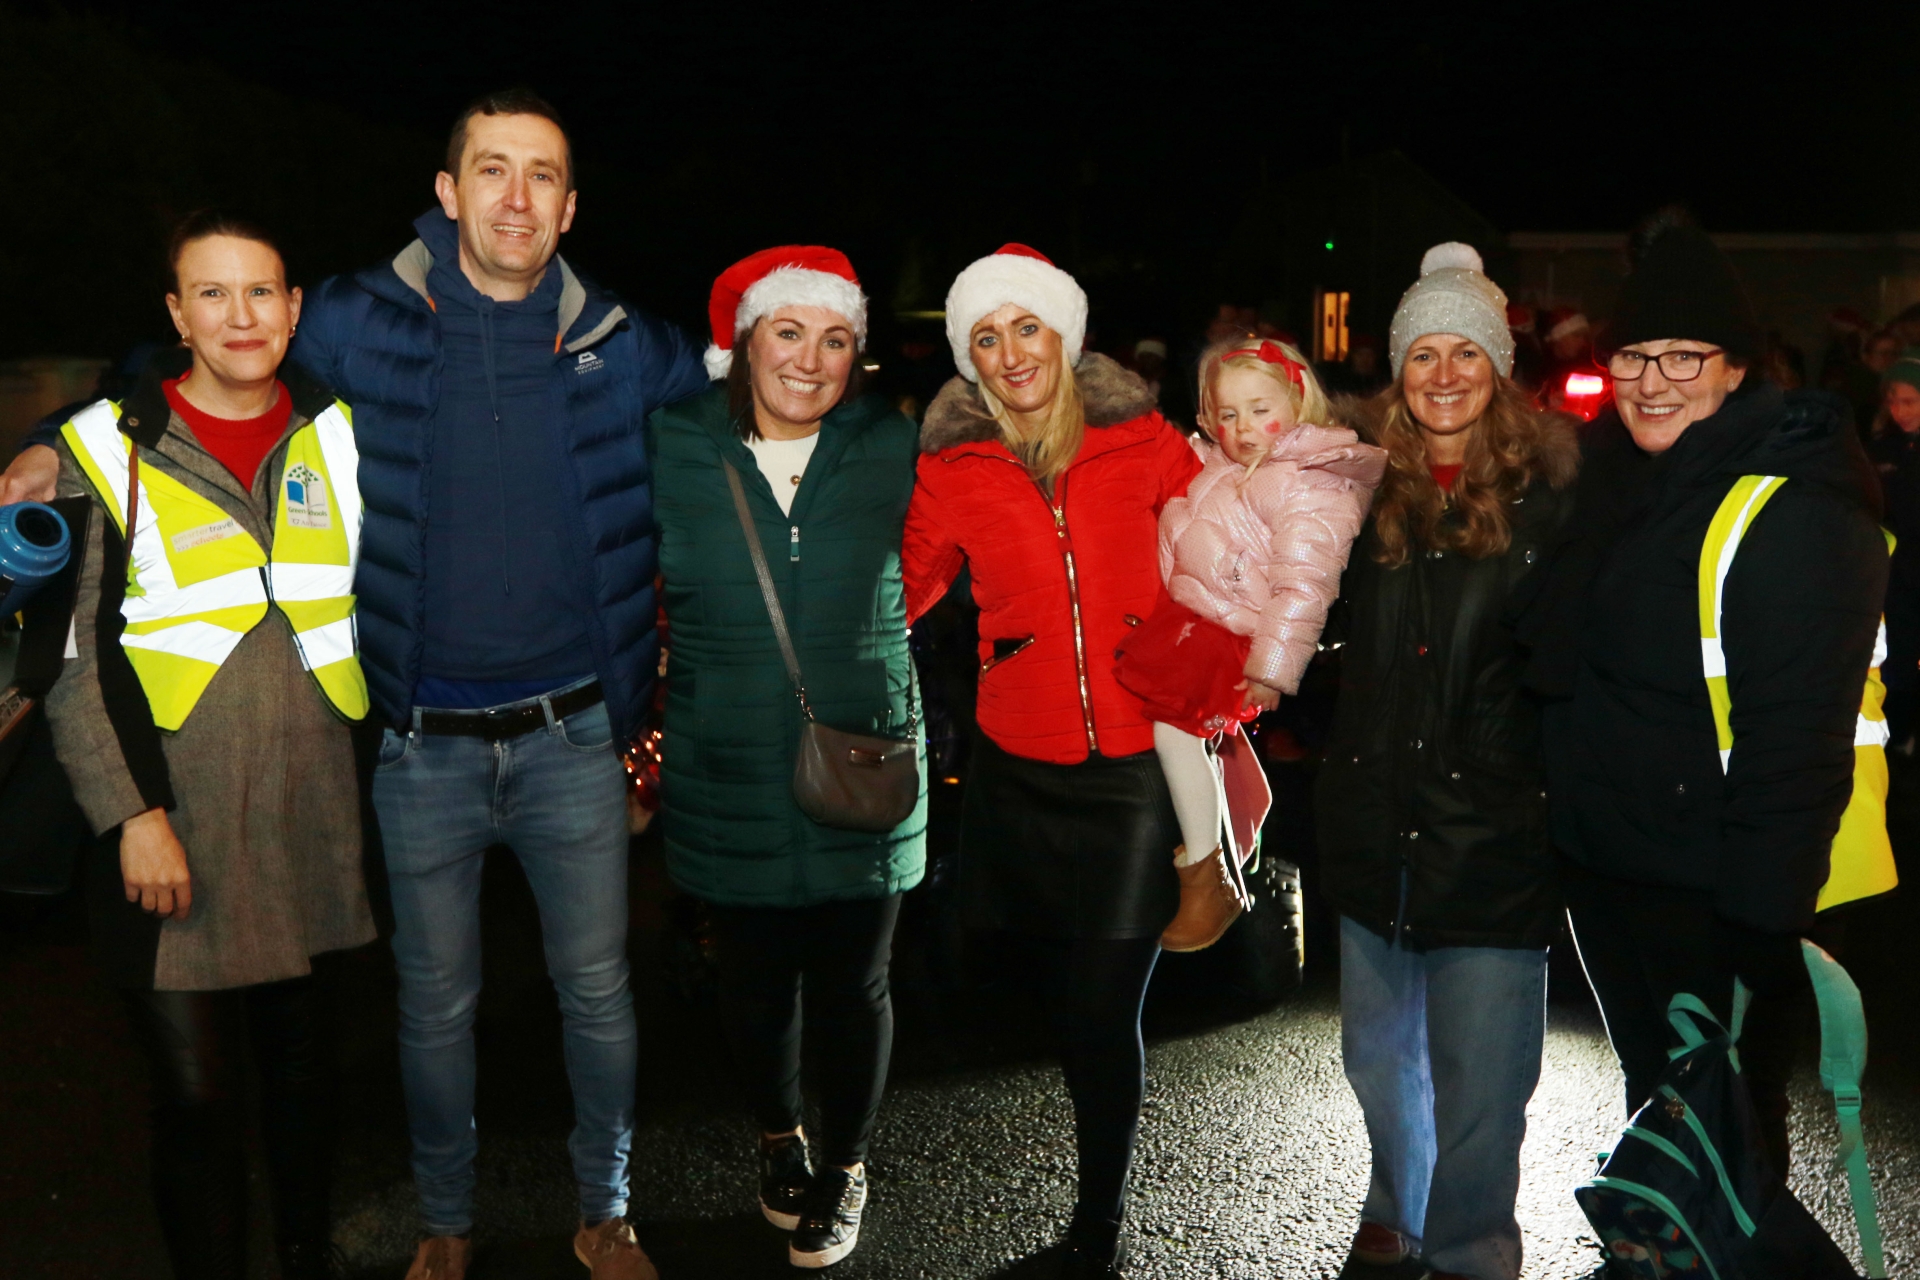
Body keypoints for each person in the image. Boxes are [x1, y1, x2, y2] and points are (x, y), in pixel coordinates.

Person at [39, 211, 375, 1280]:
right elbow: (69, 656)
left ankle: (305, 1252)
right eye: (214, 294)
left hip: (310, 808)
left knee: (306, 1083)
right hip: (171, 814)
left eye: (263, 291)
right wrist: (132, 816)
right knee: (197, 1098)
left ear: (295, 308)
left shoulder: (339, 431)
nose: (243, 315)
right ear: (177, 314)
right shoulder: (99, 447)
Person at [1527, 218, 1887, 1178]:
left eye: (1684, 355)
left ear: (1737, 368)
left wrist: (1759, 926)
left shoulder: (1790, 501)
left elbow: (1797, 739)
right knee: (1661, 1107)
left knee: (1729, 1130)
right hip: (1611, 867)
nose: (1653, 380)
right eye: (1635, 355)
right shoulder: (1609, 480)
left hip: (1716, 893)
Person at [901, 244, 1201, 1278]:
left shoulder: (1146, 441)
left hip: (1131, 770)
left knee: (1098, 1003)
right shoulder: (953, 467)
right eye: (986, 336)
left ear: (1065, 335)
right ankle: (1094, 1217)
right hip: (1017, 767)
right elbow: (903, 585)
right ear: (971, 359)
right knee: (1056, 996)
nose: (1011, 351)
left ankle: (1097, 1228)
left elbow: (1235, 539)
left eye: (1026, 326)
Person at [649, 246, 926, 1269]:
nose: (811, 360)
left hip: (868, 755)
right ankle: (780, 1138)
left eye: (836, 338)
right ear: (746, 342)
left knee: (857, 981)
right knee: (756, 982)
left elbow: (953, 551)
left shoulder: (894, 444)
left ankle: (847, 1161)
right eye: (788, 331)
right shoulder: (674, 441)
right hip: (725, 759)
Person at [1314, 244, 1578, 1280]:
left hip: (1493, 824)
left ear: (1498, 363)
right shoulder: (1354, 485)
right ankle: (1396, 1202)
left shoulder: (1549, 495)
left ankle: (1471, 1246)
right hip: (1376, 817)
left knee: (1484, 1077)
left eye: (1464, 349)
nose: (1443, 372)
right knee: (1378, 1059)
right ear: (1397, 369)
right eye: (1421, 352)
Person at [1115, 337, 1381, 951]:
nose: (1245, 428)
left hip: (1237, 637)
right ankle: (1239, 814)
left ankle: (1208, 872)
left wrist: (1273, 668)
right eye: (1227, 415)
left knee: (1176, 732)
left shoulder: (1312, 484)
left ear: (1298, 401)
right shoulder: (1217, 468)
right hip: (1194, 623)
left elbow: (1305, 586)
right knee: (1182, 734)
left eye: (1261, 409)